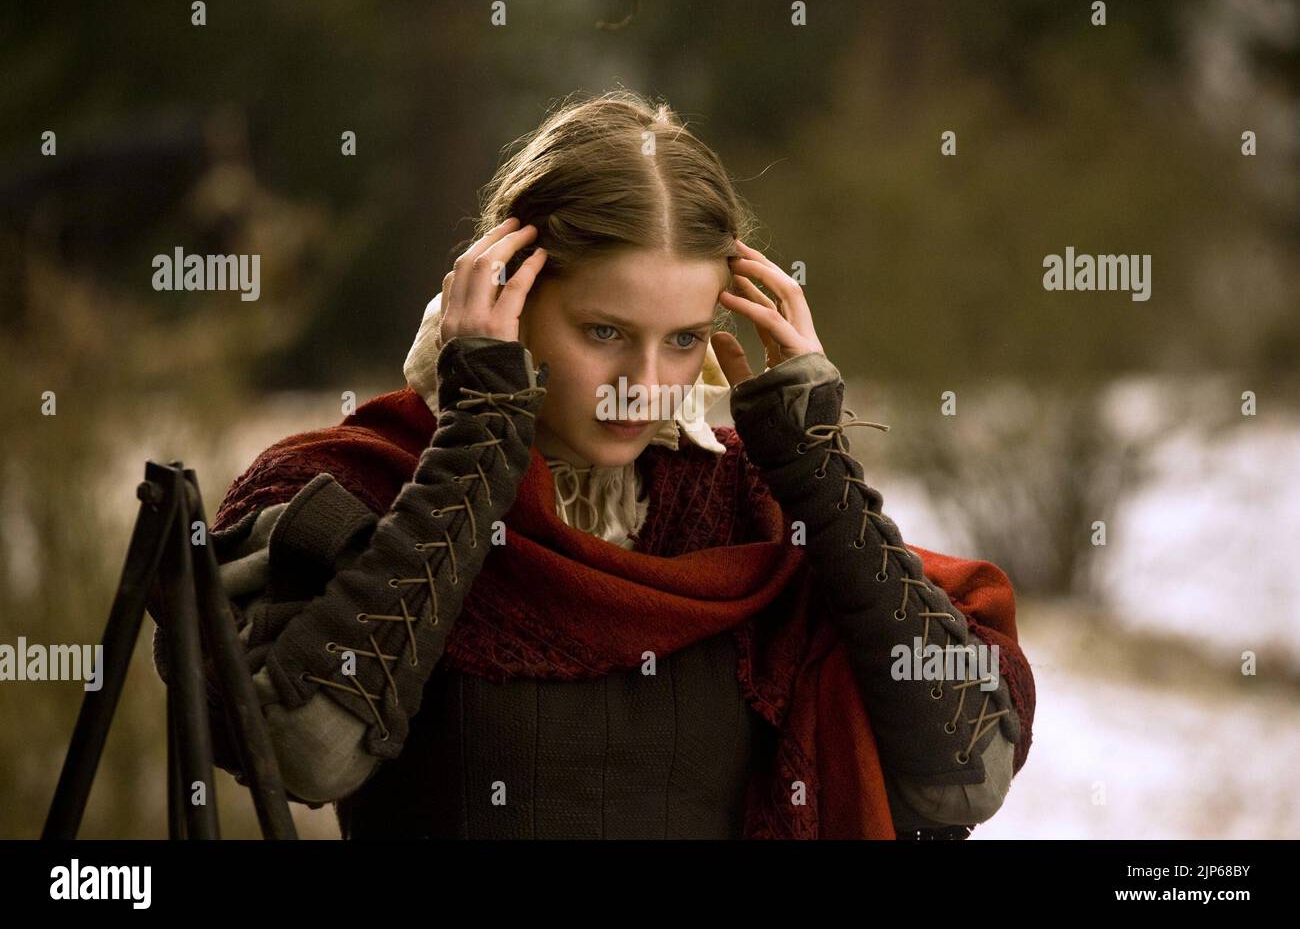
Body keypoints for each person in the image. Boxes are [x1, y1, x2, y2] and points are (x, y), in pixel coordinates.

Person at [152, 91, 1035, 839]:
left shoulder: (756, 506)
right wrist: (479, 441)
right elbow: (303, 752)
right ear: (509, 295)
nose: (643, 385)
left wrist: (820, 474)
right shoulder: (367, 480)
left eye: (683, 339)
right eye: (604, 331)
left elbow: (964, 775)